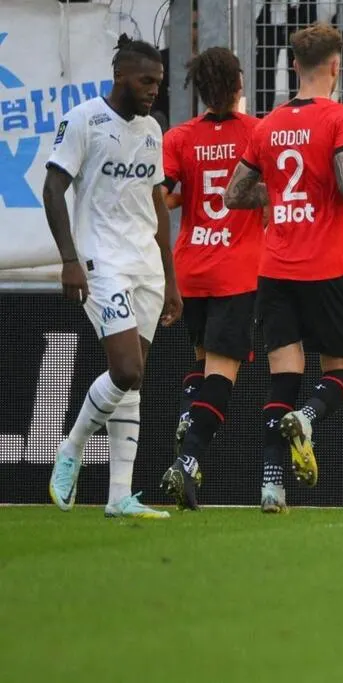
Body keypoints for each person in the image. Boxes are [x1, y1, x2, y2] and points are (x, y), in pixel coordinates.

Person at [224, 23, 343, 513]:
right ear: (335, 66)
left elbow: (235, 195)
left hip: (276, 266)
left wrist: (277, 194)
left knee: (283, 375)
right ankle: (310, 418)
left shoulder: (266, 124)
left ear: (294, 65)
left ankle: (271, 485)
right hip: (326, 267)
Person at [42, 35, 181, 519]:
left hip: (146, 265)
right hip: (103, 261)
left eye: (159, 83)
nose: (153, 91)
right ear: (120, 75)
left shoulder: (153, 129)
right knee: (126, 370)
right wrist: (68, 258)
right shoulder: (83, 119)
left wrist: (171, 276)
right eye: (147, 81)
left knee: (133, 383)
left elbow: (156, 206)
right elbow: (53, 188)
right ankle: (72, 447)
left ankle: (118, 495)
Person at [158, 47, 264, 510]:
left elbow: (160, 197)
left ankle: (188, 413)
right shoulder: (259, 133)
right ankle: (189, 460)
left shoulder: (179, 137)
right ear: (239, 82)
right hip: (238, 268)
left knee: (202, 363)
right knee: (223, 371)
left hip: (190, 267)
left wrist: (184, 201)